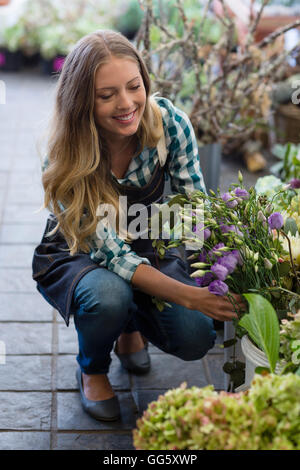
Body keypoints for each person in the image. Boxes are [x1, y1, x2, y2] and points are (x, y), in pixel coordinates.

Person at [32, 30, 244, 422]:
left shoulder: (170, 124)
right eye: (106, 95)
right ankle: (92, 368)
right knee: (109, 295)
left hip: (148, 240)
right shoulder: (64, 152)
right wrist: (191, 296)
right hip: (81, 253)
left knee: (196, 335)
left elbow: (194, 209)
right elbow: (112, 254)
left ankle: (131, 331)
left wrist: (226, 262)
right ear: (81, 100)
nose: (126, 103)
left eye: (134, 87)